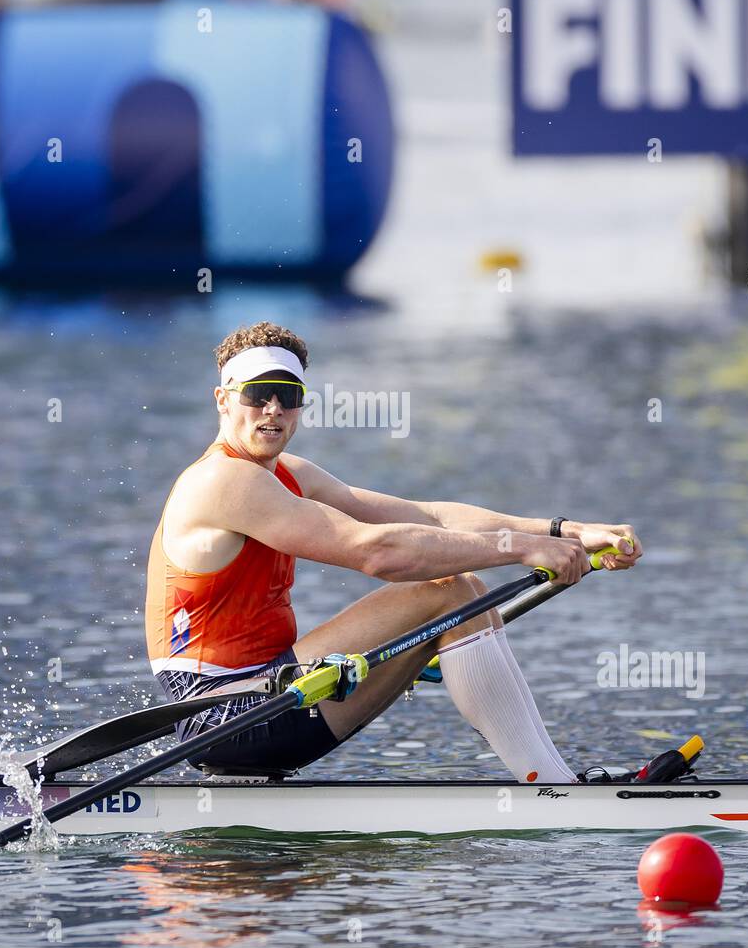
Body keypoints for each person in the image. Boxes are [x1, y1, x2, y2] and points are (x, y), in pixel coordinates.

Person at [145, 322, 641, 781]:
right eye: (257, 394)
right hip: (222, 714)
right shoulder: (223, 480)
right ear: (223, 400)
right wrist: (521, 551)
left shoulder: (290, 473)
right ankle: (553, 790)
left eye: (288, 395)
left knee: (465, 592)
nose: (273, 409)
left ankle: (554, 783)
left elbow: (426, 518)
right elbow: (377, 553)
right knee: (448, 593)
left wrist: (564, 531)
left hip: (271, 692)